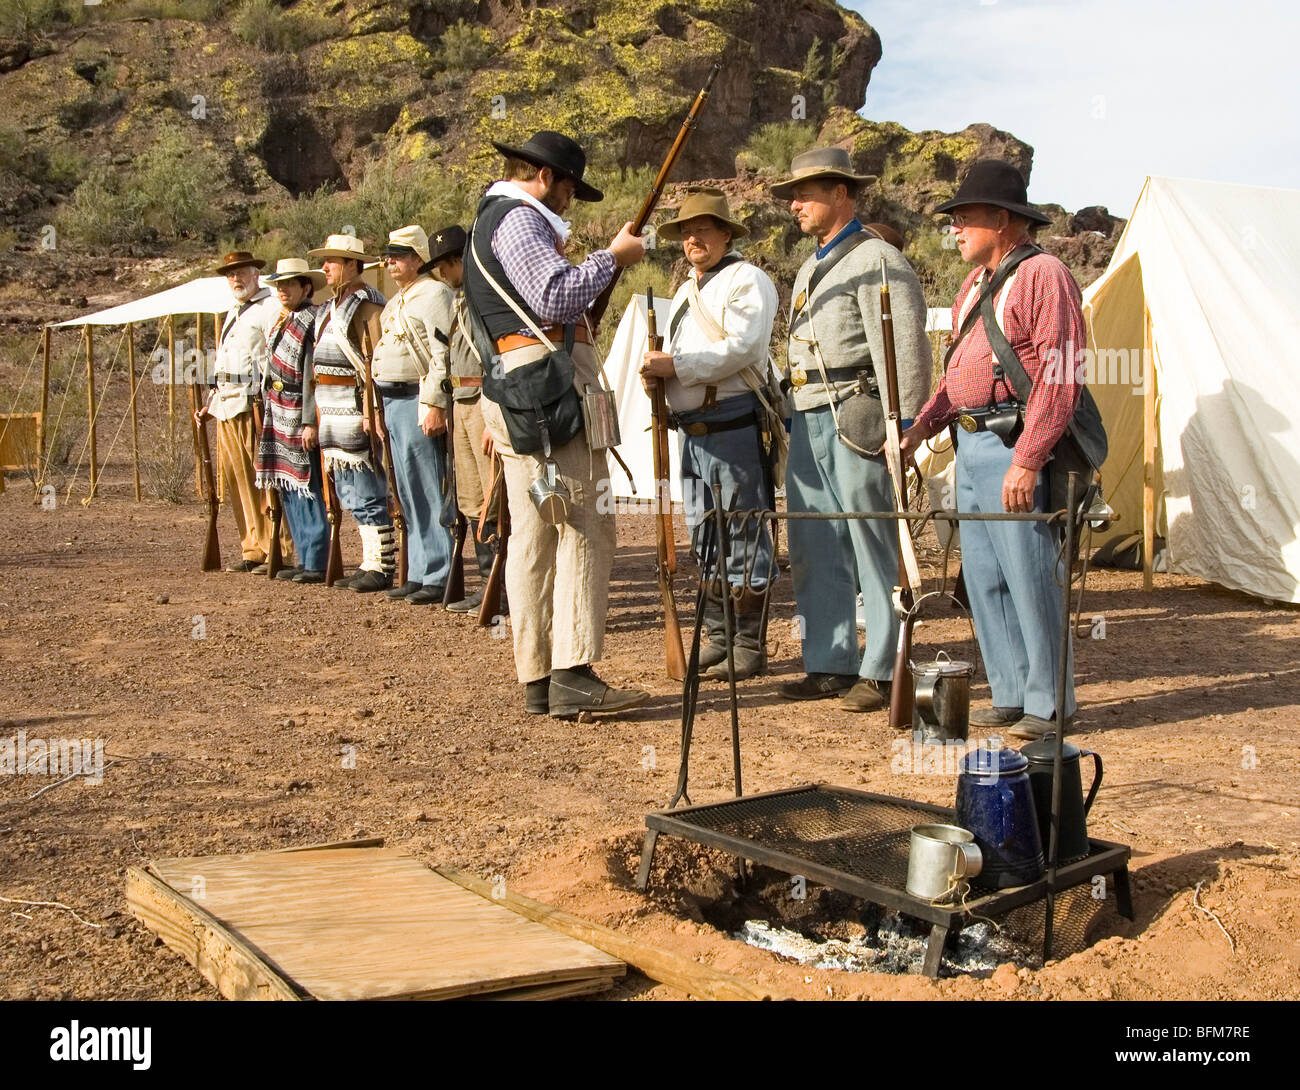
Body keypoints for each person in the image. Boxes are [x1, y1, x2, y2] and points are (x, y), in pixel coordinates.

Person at [462, 130, 649, 719]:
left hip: (522, 383)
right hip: (547, 385)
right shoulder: (520, 219)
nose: (569, 199)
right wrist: (613, 259)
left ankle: (538, 674)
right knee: (586, 524)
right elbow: (557, 294)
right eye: (569, 186)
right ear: (545, 177)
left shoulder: (494, 219)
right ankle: (573, 669)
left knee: (536, 531)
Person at [901, 160, 1083, 741]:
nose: (954, 229)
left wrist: (1029, 457)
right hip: (972, 444)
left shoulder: (1044, 274)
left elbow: (1061, 373)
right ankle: (1009, 693)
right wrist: (919, 429)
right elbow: (958, 378)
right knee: (984, 578)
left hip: (1014, 443)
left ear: (1002, 220)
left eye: (964, 218)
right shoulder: (972, 287)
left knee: (1031, 576)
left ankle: (1049, 705)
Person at [771, 148, 932, 711]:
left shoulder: (878, 259)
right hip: (809, 409)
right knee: (816, 542)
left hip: (857, 411)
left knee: (872, 536)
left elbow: (906, 348)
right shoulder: (809, 267)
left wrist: (904, 421)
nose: (795, 204)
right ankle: (829, 660)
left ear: (842, 193)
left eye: (806, 193)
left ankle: (884, 667)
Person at [640, 186, 779, 681]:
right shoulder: (683, 293)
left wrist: (674, 365)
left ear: (725, 234)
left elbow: (743, 349)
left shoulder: (748, 280)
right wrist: (657, 374)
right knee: (706, 536)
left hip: (733, 425)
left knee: (742, 531)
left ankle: (748, 644)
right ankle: (719, 639)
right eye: (686, 231)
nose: (693, 238)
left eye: (703, 228)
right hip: (691, 432)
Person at [305, 233, 393, 593]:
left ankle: (383, 564)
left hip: (355, 407)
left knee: (367, 487)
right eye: (325, 261)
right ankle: (369, 560)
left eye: (334, 261)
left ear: (354, 265)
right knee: (348, 490)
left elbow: (375, 362)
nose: (326, 267)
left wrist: (371, 408)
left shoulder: (367, 306)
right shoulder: (328, 308)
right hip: (331, 408)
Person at [373, 225, 456, 605]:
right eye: (389, 254)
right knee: (406, 491)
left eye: (399, 254)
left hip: (417, 399)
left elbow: (443, 354)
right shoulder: (397, 301)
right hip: (392, 400)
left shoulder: (435, 294)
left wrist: (435, 401)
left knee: (427, 486)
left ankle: (439, 573)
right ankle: (420, 569)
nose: (391, 261)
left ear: (419, 259)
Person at [196, 251, 293, 573]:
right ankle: (253, 547)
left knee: (263, 479)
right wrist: (211, 399)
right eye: (230, 275)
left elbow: (274, 355)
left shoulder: (268, 308)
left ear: (256, 275)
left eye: (241, 273)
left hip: (253, 403)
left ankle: (278, 547)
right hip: (227, 403)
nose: (235, 280)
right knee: (237, 480)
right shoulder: (235, 311)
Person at [426, 224, 500, 615]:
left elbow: (496, 360)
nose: (441, 273)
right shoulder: (460, 303)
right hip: (460, 402)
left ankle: (498, 589)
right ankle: (486, 584)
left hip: (483, 401)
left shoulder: (483, 300)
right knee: (471, 498)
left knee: (492, 499)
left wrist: (494, 415)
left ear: (458, 262)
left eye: (444, 264)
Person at [255, 258, 330, 583]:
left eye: (289, 284)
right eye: (279, 285)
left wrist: (310, 420)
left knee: (307, 485)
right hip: (279, 412)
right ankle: (303, 554)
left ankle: (316, 558)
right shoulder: (285, 321)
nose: (283, 290)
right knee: (289, 486)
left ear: (306, 287)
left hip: (298, 413)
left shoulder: (310, 322)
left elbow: (312, 375)